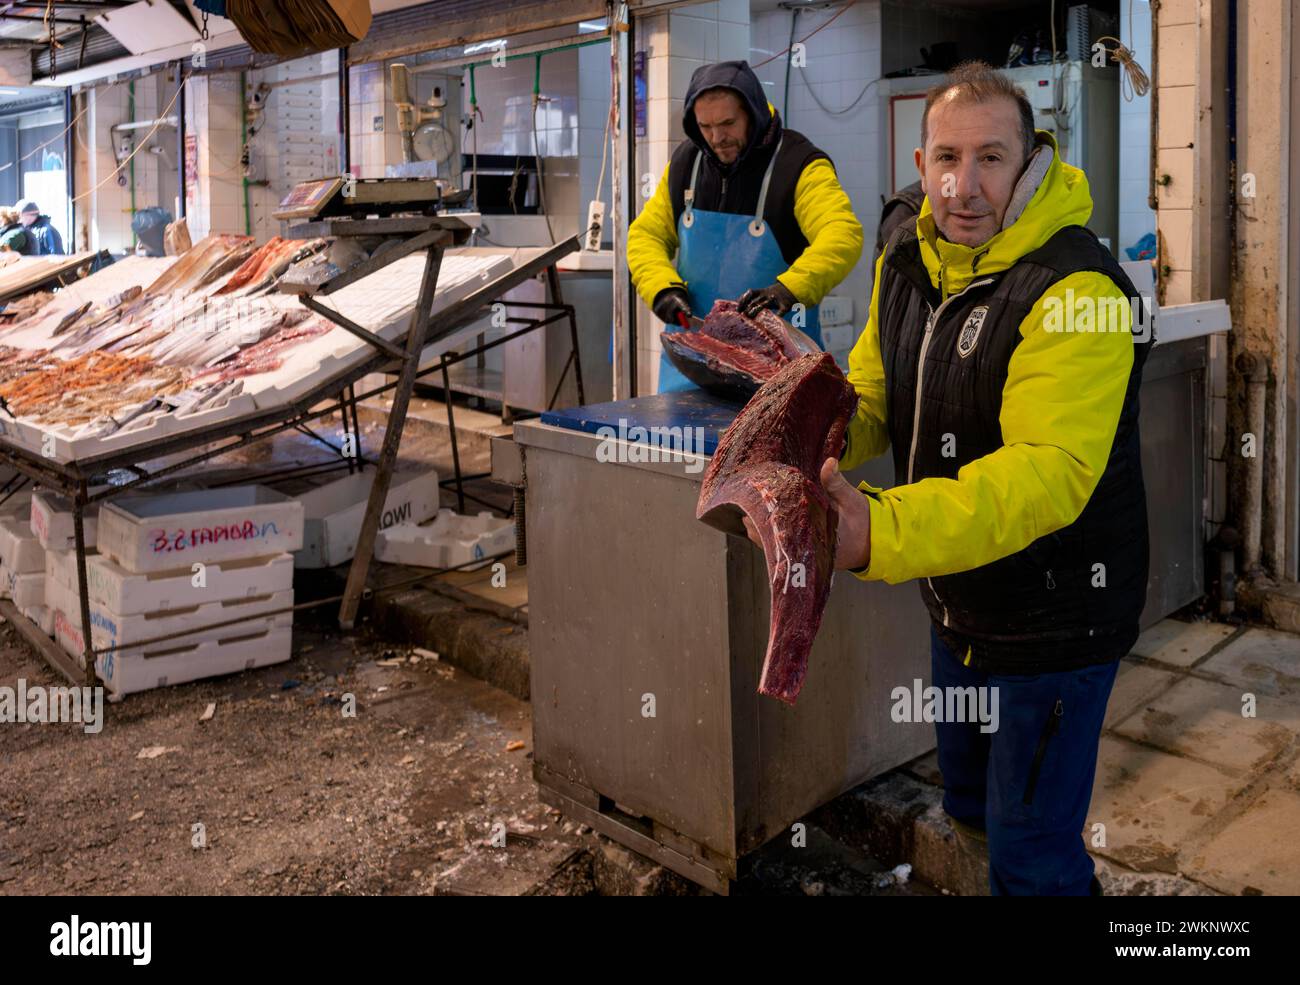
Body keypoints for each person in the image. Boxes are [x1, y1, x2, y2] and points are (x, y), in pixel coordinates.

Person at [775, 61, 1151, 895]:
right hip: (959, 606)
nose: (965, 185)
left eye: (991, 158)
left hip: (1056, 622)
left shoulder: (1076, 287)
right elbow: (876, 390)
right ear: (921, 165)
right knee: (974, 809)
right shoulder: (906, 256)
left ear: (1030, 163)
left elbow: (1047, 473)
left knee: (1034, 859)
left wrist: (885, 529)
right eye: (947, 157)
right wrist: (810, 433)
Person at [626, 60, 863, 391]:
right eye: (705, 126)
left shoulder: (799, 165)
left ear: (752, 112)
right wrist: (661, 288)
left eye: (727, 123)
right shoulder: (686, 163)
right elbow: (645, 234)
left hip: (778, 376)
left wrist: (788, 289)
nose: (717, 138)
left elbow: (842, 235)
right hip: (691, 374)